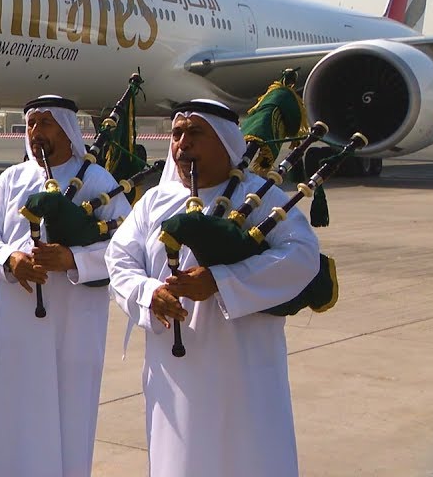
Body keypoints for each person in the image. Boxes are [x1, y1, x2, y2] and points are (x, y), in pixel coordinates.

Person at [105, 99, 320, 477]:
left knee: (247, 458)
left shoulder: (261, 197)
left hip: (244, 370)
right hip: (174, 371)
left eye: (195, 133)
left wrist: (221, 282)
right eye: (176, 134)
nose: (182, 143)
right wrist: (150, 294)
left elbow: (301, 257)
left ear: (226, 142)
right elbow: (119, 259)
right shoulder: (155, 200)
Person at [0, 95, 132, 477]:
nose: (35, 131)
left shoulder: (97, 181)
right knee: (15, 412)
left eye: (45, 123)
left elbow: (125, 248)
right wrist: (10, 260)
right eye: (31, 123)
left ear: (67, 130)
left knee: (68, 414)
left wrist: (73, 260)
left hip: (74, 326)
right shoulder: (12, 179)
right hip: (17, 323)